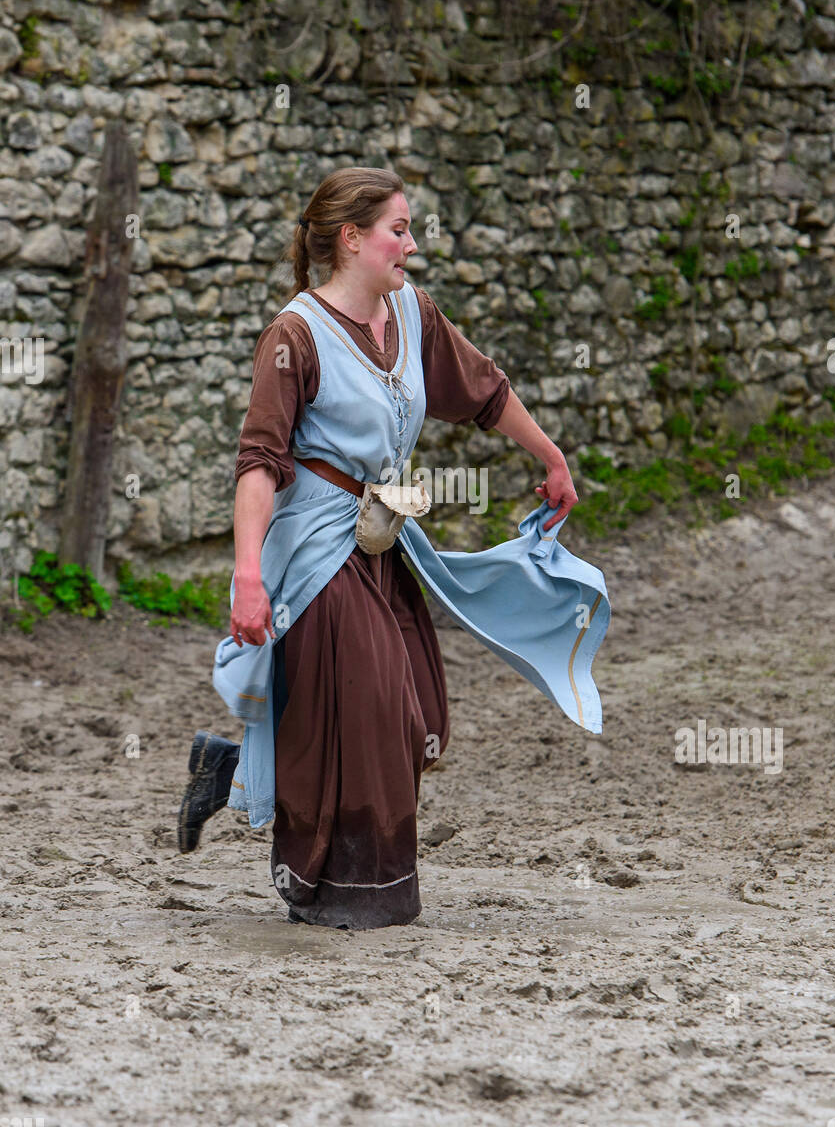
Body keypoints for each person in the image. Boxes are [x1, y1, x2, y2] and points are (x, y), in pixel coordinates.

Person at [178, 166, 610, 929]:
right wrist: (247, 579)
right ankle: (337, 888)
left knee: (417, 715)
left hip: (383, 536)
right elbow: (257, 464)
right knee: (371, 709)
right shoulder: (295, 335)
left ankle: (227, 766)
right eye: (398, 230)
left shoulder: (411, 314)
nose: (409, 244)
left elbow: (483, 390)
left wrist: (551, 458)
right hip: (312, 546)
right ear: (351, 239)